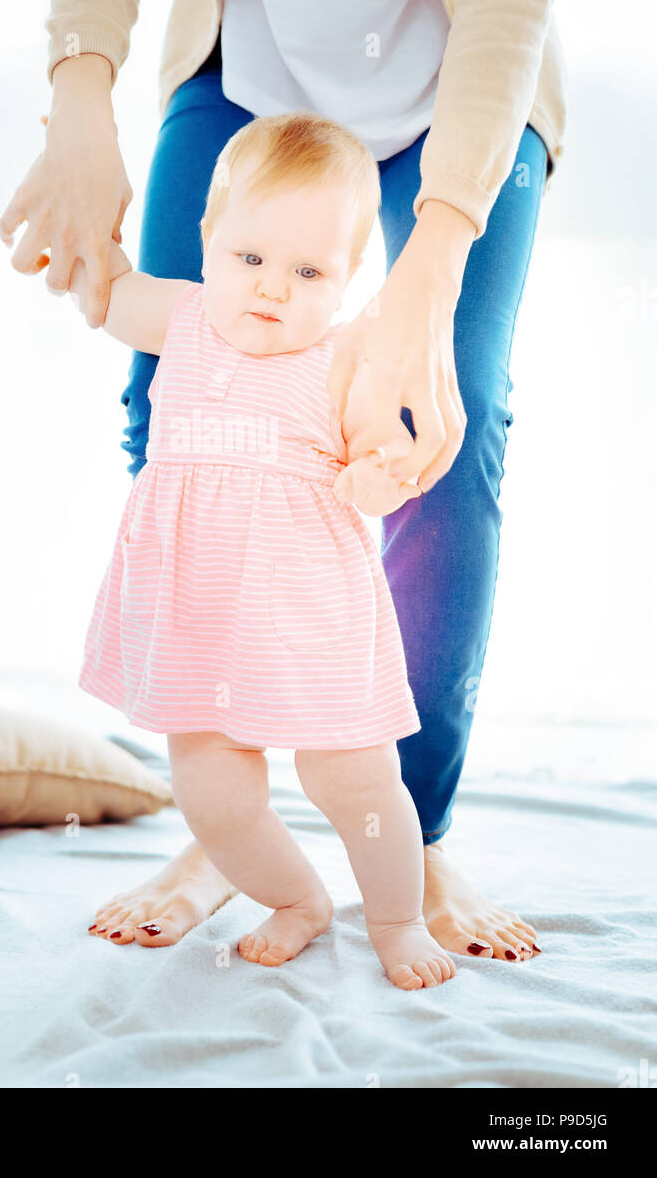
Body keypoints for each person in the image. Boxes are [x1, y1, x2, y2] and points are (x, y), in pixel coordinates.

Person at [0, 0, 576, 962]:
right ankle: (232, 808)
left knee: (439, 428)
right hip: (244, 84)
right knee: (169, 400)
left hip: (459, 99)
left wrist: (436, 252)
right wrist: (77, 102)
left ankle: (405, 835)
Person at [70, 109, 455, 988]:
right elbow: (102, 292)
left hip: (307, 609)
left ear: (349, 279)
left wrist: (380, 478)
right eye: (250, 258)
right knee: (211, 788)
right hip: (196, 606)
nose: (273, 289)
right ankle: (296, 899)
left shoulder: (345, 355)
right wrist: (78, 238)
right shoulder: (184, 316)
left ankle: (396, 919)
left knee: (352, 776)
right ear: (208, 239)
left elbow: (374, 457)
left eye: (308, 270)